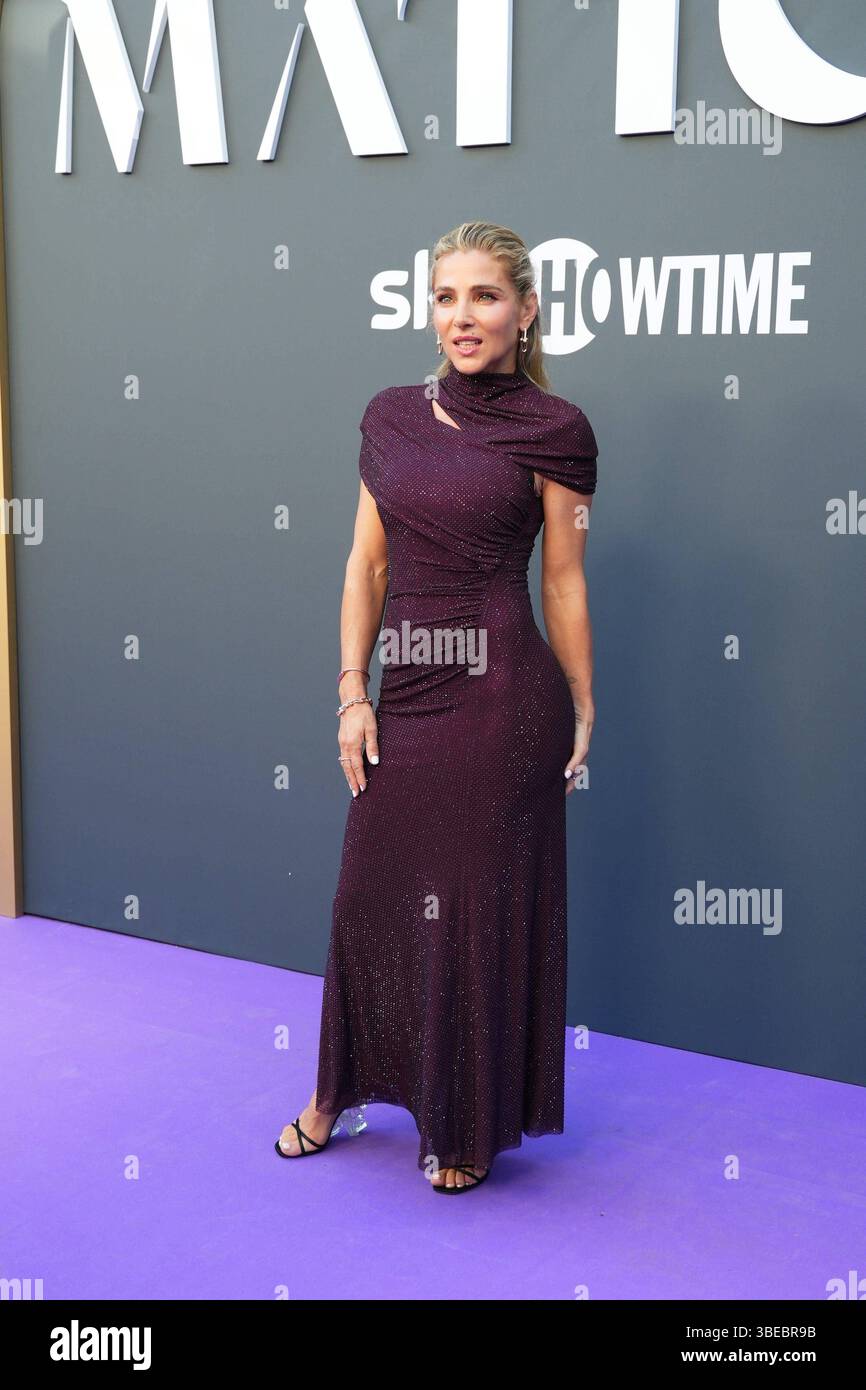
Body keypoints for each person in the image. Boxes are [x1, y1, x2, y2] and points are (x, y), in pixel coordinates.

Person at [276, 220, 598, 1193]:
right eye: (446, 297)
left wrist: (583, 701)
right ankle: (336, 1095)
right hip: (404, 689)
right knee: (365, 894)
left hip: (504, 698)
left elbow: (565, 582)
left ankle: (460, 1123)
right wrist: (349, 693)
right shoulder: (388, 415)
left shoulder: (557, 429)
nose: (463, 316)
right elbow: (365, 563)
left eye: (484, 297)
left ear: (525, 310)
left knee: (464, 909)